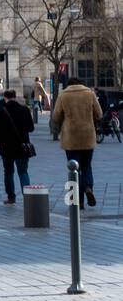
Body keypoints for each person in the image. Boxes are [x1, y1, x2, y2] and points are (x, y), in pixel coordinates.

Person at [52, 76, 103, 207]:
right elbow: (100, 114)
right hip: (87, 135)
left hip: (71, 137)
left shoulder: (63, 95)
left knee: (74, 169)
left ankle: (78, 201)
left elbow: (56, 115)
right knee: (87, 166)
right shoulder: (89, 94)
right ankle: (88, 187)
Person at [0, 89, 34, 205]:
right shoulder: (24, 109)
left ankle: (11, 196)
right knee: (23, 172)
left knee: (8, 172)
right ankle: (28, 197)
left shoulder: (1, 111)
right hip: (22, 146)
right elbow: (31, 128)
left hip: (6, 146)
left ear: (5, 98)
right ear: (15, 97)